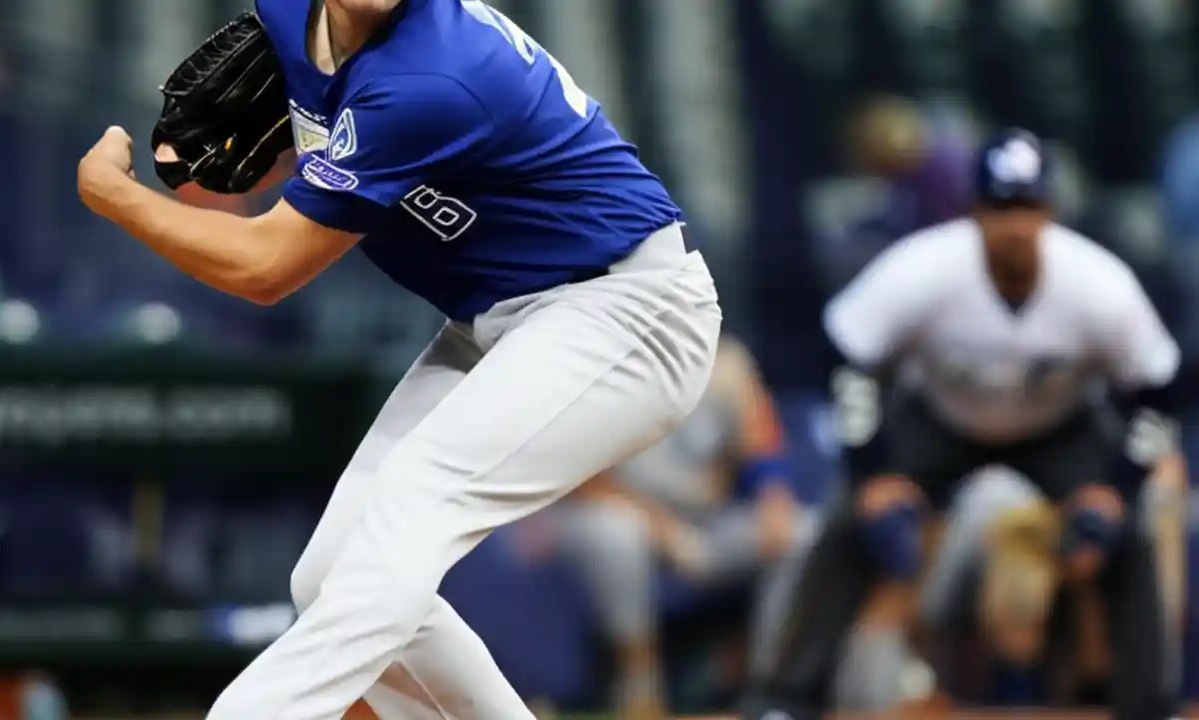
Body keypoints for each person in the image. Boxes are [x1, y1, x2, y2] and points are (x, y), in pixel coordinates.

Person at [75, 1, 723, 718]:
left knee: (412, 510)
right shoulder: (288, 15)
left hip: (628, 309)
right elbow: (259, 170)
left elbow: (265, 267)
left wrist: (117, 197)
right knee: (332, 576)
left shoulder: (435, 75)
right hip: (508, 314)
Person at [744, 129, 1186, 720]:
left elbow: (1157, 388)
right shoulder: (927, 266)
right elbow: (845, 357)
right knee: (851, 521)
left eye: (1027, 207)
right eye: (1001, 208)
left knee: (1129, 533)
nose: (1015, 226)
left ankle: (1149, 707)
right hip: (941, 419)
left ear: (1049, 213)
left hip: (1059, 425)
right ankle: (785, 700)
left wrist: (1116, 486)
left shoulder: (1095, 282)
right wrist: (874, 472)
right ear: (975, 211)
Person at [559, 336, 805, 719]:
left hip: (707, 522)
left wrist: (774, 498)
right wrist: (665, 531)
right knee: (613, 534)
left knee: (801, 533)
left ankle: (770, 686)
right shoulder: (601, 356)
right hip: (626, 513)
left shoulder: (726, 361)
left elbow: (760, 442)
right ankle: (639, 684)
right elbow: (582, 477)